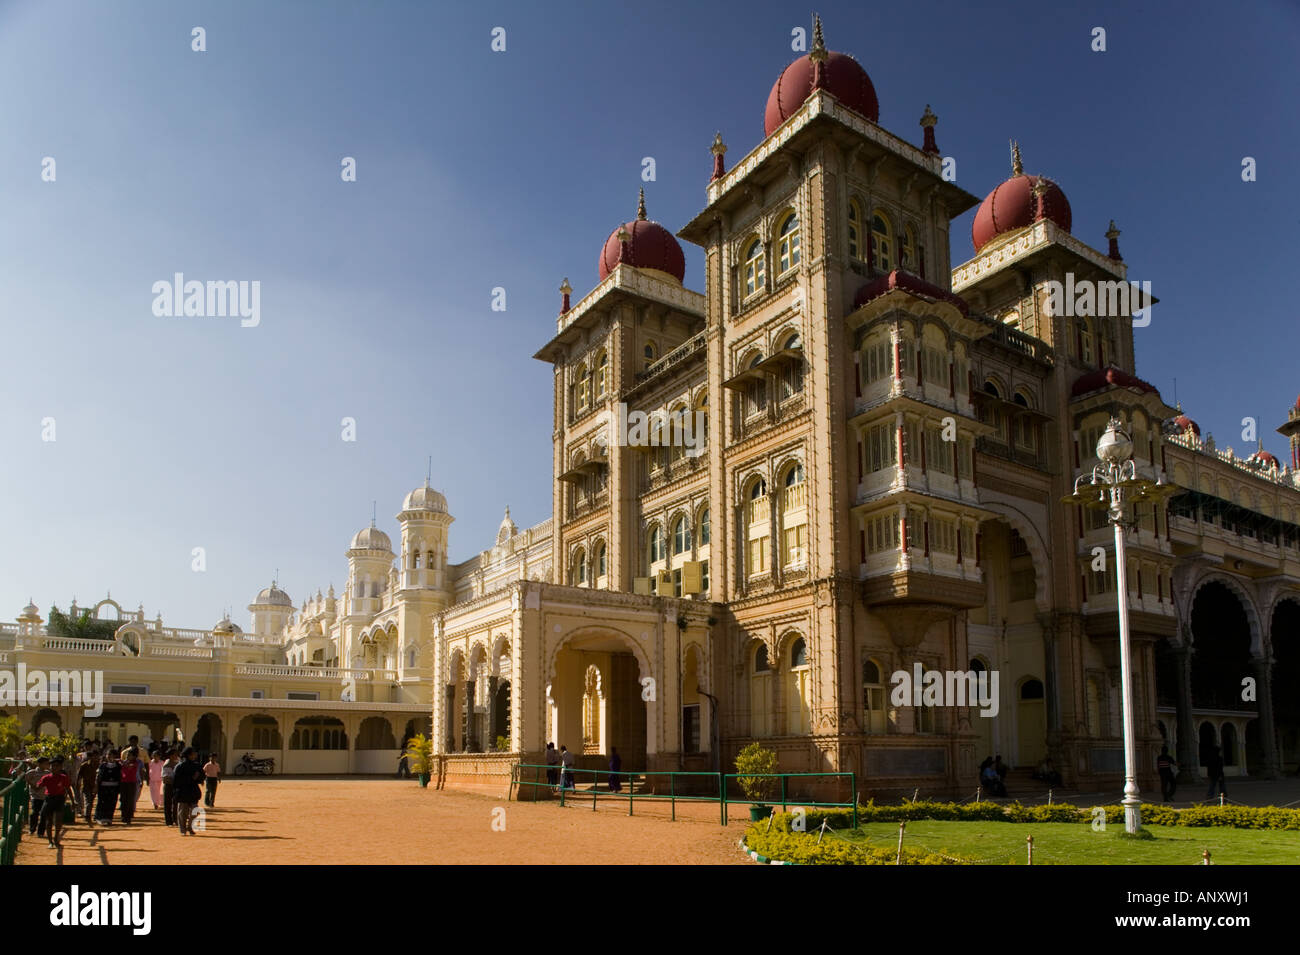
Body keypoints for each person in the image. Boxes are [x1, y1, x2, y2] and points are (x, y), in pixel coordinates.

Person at [37, 757, 73, 849]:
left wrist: (73, 801)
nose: (54, 768)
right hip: (49, 799)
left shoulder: (63, 778)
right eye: (52, 766)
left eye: (56, 766)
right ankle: (50, 841)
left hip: (60, 799)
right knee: (48, 821)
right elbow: (38, 786)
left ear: (60, 767)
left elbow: (68, 789)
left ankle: (56, 838)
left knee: (58, 821)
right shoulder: (46, 777)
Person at [174, 747, 203, 835]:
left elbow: (201, 777)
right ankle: (182, 830)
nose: (195, 755)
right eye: (194, 753)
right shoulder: (180, 766)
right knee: (183, 812)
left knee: (195, 810)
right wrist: (192, 778)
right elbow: (176, 780)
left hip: (193, 791)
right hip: (182, 792)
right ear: (189, 755)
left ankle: (190, 827)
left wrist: (198, 778)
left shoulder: (197, 765)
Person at [25, 757, 51, 837]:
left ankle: (40, 832)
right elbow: (26, 778)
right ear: (39, 764)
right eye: (45, 763)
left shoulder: (48, 773)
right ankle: (32, 829)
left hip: (45, 796)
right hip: (35, 796)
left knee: (44, 814)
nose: (47, 765)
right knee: (34, 813)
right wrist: (33, 786)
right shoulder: (32, 772)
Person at [94, 750, 122, 825]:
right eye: (108, 755)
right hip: (103, 788)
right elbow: (98, 777)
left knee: (112, 803)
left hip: (114, 787)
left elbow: (120, 777)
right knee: (102, 803)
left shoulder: (118, 766)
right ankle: (101, 818)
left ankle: (109, 818)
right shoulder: (102, 765)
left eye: (112, 755)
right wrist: (96, 786)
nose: (110, 757)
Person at [74, 752, 99, 824]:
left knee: (91, 800)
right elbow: (79, 775)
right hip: (85, 785)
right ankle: (87, 815)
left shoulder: (96, 765)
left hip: (93, 785)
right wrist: (77, 784)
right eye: (90, 757)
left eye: (93, 757)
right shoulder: (84, 765)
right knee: (87, 800)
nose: (92, 758)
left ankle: (88, 814)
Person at [118, 748, 139, 824]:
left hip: (131, 783)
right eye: (127, 755)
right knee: (123, 799)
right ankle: (123, 816)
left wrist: (122, 762)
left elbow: (129, 767)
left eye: (129, 755)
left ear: (133, 756)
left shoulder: (135, 763)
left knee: (130, 799)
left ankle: (128, 816)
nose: (127, 756)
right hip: (123, 782)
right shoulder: (124, 762)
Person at [161, 751, 179, 826]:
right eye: (175, 755)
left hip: (175, 785)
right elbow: (165, 778)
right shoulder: (166, 764)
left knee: (176, 803)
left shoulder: (178, 763)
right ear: (171, 756)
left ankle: (175, 819)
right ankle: (168, 821)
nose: (176, 756)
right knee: (167, 803)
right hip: (168, 786)